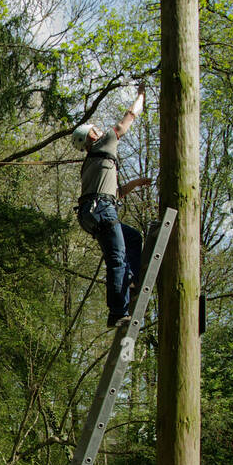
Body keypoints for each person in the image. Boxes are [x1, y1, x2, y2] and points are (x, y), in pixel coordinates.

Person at [72, 85, 154, 327]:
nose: (100, 129)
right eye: (95, 129)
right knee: (117, 259)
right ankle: (118, 312)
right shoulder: (104, 143)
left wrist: (137, 183)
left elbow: (115, 193)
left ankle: (131, 281)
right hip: (101, 210)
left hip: (93, 212)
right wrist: (141, 96)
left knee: (132, 237)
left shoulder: (92, 163)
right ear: (92, 136)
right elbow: (128, 119)